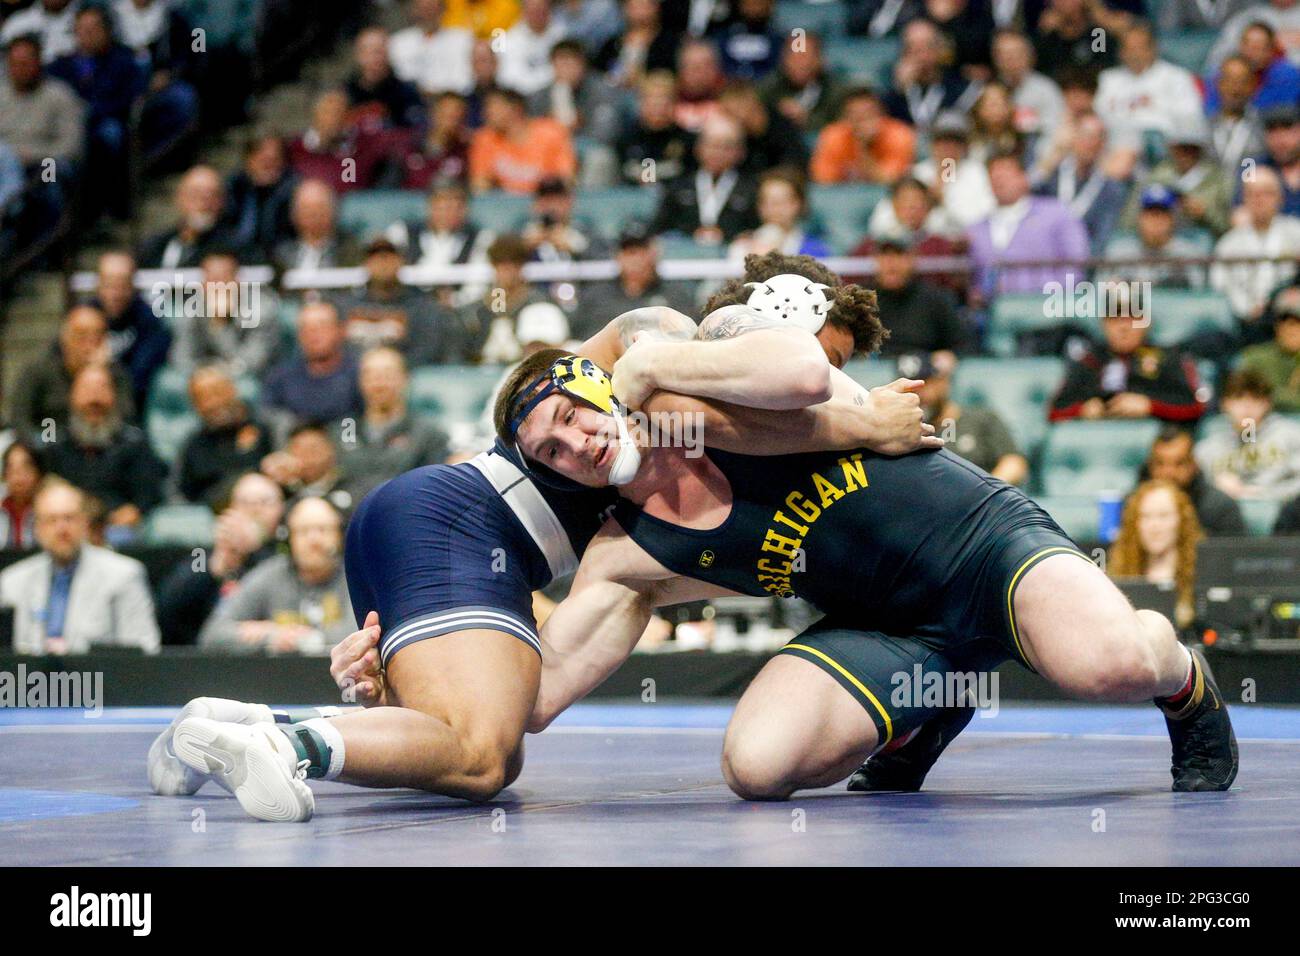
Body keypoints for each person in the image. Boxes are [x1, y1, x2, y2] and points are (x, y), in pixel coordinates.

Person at [148, 282, 938, 819]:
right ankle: (287, 747)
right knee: (482, 754)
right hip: (455, 525)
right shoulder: (654, 346)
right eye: (553, 434)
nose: (579, 445)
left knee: (489, 736)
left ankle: (248, 725)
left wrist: (396, 679)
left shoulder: (676, 405)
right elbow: (771, 382)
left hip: (447, 533)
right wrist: (863, 424)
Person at [494, 294, 1236, 803]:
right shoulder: (629, 554)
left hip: (985, 549)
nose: (576, 446)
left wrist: (649, 367)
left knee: (1111, 666)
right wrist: (408, 681)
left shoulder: (711, 356)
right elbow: (539, 695)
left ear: (595, 386)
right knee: (757, 768)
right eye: (550, 451)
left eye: (569, 416)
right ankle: (926, 707)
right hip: (886, 630)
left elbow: (805, 371)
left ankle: (1183, 680)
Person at [0, 481, 160, 654]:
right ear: (37, 528)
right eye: (51, 520)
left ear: (85, 523)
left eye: (69, 518)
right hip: (30, 679)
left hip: (100, 678)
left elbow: (145, 652)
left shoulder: (124, 575)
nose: (61, 529)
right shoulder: (13, 581)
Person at [199, 496, 356, 653]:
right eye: (303, 531)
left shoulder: (354, 576)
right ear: (288, 539)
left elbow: (362, 633)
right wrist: (270, 636)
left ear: (340, 536)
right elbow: (213, 635)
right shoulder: (269, 575)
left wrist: (303, 640)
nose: (314, 540)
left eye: (323, 530)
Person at [155, 472, 285, 646]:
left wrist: (255, 549)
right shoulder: (201, 552)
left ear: (281, 509)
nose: (255, 510)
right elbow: (169, 603)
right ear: (230, 508)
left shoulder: (285, 551)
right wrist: (217, 564)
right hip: (200, 653)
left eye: (265, 502)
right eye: (245, 502)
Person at [41, 364, 166, 543]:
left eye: (101, 388)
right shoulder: (57, 447)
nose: (94, 398)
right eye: (86, 389)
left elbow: (149, 494)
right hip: (70, 526)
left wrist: (135, 511)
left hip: (118, 529)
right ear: (72, 396)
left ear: (114, 396)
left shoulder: (136, 443)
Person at [331, 347, 450, 503]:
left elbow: (436, 488)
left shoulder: (429, 434)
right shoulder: (344, 429)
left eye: (387, 375)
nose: (379, 383)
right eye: (370, 375)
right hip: (349, 516)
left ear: (405, 379)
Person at [1049, 305, 1205, 423]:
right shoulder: (1088, 360)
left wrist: (1150, 406)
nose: (1123, 327)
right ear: (1104, 324)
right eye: (1115, 319)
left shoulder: (1168, 358)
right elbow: (1054, 412)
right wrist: (1082, 410)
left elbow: (1197, 407)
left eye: (1132, 318)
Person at [9, 305, 137, 438]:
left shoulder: (116, 374)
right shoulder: (39, 371)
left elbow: (127, 420)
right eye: (82, 336)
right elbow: (20, 419)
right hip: (49, 446)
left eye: (98, 336)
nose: (90, 345)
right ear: (65, 338)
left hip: (102, 448)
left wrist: (97, 376)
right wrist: (42, 446)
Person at [331, 236, 462, 364]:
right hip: (353, 378)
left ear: (401, 262)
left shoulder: (422, 307)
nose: (383, 263)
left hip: (407, 377)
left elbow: (426, 351)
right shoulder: (346, 306)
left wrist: (394, 369)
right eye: (376, 257)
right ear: (365, 264)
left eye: (389, 256)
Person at [908, 353, 1028, 484]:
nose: (918, 395)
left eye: (924, 385)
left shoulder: (981, 419)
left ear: (943, 382)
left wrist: (986, 491)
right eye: (909, 389)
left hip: (980, 498)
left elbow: (1014, 463)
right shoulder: (906, 431)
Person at [170, 247, 281, 378]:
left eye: (223, 278)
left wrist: (219, 323)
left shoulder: (261, 308)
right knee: (169, 383)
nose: (217, 286)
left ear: (236, 280)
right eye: (211, 279)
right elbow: (181, 357)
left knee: (246, 389)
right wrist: (203, 375)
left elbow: (252, 363)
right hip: (202, 376)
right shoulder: (194, 306)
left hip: (247, 377)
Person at [574, 222, 698, 339]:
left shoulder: (676, 296)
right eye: (629, 252)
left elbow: (690, 337)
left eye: (642, 252)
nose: (635, 260)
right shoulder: (596, 297)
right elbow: (580, 338)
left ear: (655, 253)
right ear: (618, 256)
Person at [176, 366, 277, 507]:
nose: (213, 403)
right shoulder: (194, 445)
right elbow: (182, 494)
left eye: (217, 392)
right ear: (195, 406)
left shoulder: (267, 426)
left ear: (233, 390)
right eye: (203, 398)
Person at [651, 113, 760, 243]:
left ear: (741, 151)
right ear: (699, 148)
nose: (718, 152)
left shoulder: (753, 189)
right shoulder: (678, 186)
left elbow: (757, 230)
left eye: (727, 146)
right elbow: (660, 229)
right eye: (712, 145)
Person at [1211, 166, 1300, 325]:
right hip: (1243, 323)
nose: (1260, 200)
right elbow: (1220, 287)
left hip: (1290, 321)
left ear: (1280, 198)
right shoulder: (1228, 244)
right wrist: (1247, 309)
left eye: (1267, 193)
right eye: (1252, 194)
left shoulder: (1296, 234)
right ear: (1243, 199)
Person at [1194, 369, 1300, 501]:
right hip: (1229, 513)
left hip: (1279, 510)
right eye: (1239, 398)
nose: (1247, 406)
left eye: (1255, 399)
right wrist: (1216, 487)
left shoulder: (1290, 435)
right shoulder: (1208, 447)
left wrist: (1268, 494)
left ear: (1267, 404)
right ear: (1225, 404)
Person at [1109, 480, 1203, 628]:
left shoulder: (1202, 573)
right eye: (1145, 516)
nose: (1155, 525)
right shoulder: (1120, 571)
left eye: (1164, 516)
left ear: (1182, 520)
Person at [90, 250, 173, 413]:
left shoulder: (150, 322)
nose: (116, 294)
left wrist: (108, 366)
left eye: (122, 285)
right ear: (98, 286)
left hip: (133, 408)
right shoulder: (84, 317)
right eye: (109, 284)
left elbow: (140, 378)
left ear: (133, 286)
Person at [261, 301, 364, 427]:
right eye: (306, 328)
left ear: (340, 330)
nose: (313, 333)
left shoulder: (360, 375)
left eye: (322, 326)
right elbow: (268, 415)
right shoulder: (281, 377)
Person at [1137, 425, 1246, 537]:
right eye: (1160, 463)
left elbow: (1233, 553)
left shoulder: (1221, 508)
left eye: (1179, 463)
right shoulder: (1132, 506)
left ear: (1194, 465)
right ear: (1149, 465)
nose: (1168, 472)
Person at [468, 85, 575, 194]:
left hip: (544, 203)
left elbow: (565, 180)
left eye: (493, 106)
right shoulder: (485, 138)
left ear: (516, 109)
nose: (486, 113)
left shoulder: (551, 133)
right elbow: (479, 185)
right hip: (504, 205)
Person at [810, 87, 917, 186]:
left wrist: (864, 146)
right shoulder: (833, 135)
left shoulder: (899, 134)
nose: (863, 121)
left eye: (869, 113)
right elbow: (822, 179)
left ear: (881, 113)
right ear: (845, 117)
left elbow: (890, 181)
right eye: (856, 115)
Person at [727, 168, 830, 260]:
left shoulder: (815, 249)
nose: (773, 209)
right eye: (766, 202)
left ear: (799, 204)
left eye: (780, 202)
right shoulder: (742, 246)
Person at [388, 0, 474, 95]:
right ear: (414, 11)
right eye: (424, 9)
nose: (428, 15)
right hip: (411, 102)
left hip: (453, 100)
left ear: (443, 10)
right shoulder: (398, 42)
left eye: (433, 9)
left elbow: (466, 79)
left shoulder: (463, 40)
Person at [1238, 285, 1300, 411]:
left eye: (1298, 323)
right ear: (1276, 325)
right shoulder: (1255, 358)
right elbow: (1243, 399)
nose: (1291, 330)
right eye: (1285, 322)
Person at [0, 440, 45, 549]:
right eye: (12, 469)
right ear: (5, 476)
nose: (18, 476)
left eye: (26, 468)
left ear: (38, 473)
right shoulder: (2, 509)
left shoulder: (50, 512)